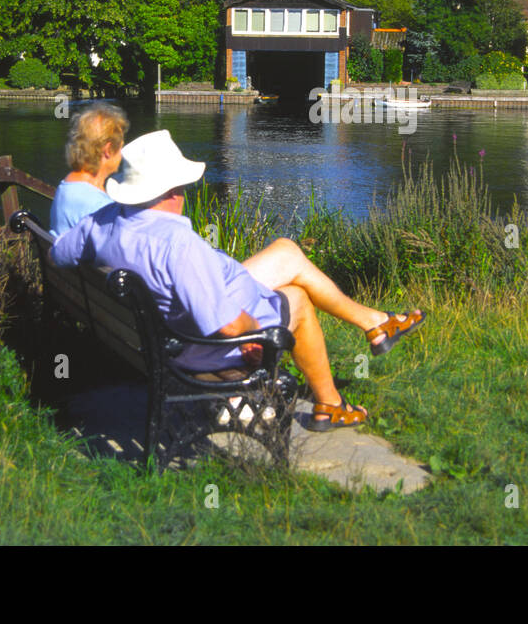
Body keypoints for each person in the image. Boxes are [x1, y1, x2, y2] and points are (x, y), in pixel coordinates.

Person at [50, 129, 425, 431]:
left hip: (169, 319)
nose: (184, 192)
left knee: (285, 251)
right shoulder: (177, 243)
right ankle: (330, 404)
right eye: (181, 185)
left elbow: (58, 252)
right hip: (195, 344)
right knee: (295, 298)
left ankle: (374, 324)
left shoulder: (103, 223)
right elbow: (228, 324)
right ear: (171, 191)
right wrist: (251, 332)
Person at [49, 102, 128, 237]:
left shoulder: (68, 185)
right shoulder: (99, 207)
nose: (122, 154)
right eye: (121, 147)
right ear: (108, 150)